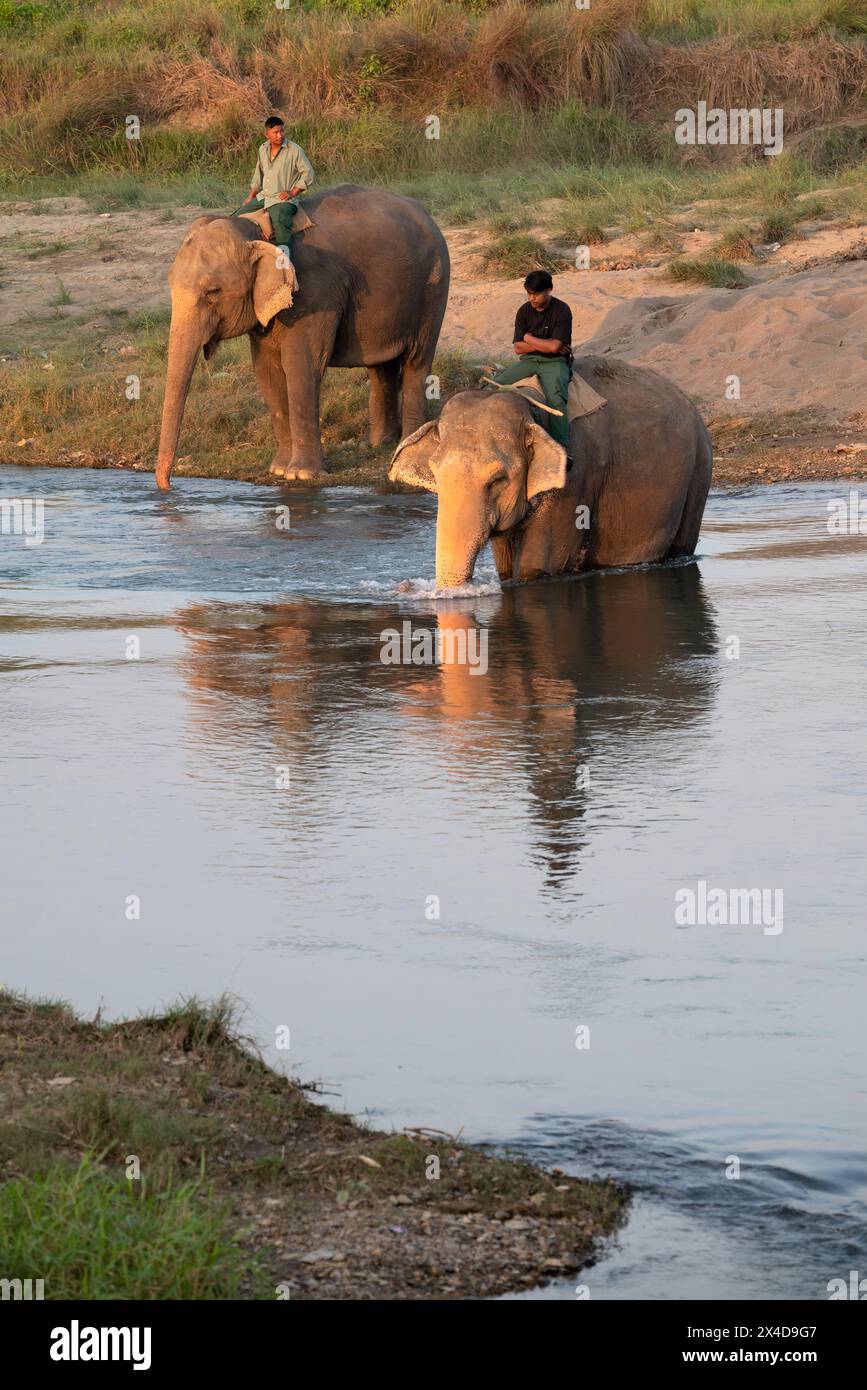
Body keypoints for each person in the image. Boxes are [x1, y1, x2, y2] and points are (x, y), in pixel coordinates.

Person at [494, 270, 572, 451]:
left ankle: (560, 448)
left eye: (536, 293)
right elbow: (518, 348)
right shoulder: (523, 311)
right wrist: (546, 344)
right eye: (529, 293)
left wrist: (528, 339)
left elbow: (554, 350)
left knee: (556, 399)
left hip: (554, 362)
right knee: (494, 385)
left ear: (549, 289)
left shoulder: (562, 310)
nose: (532, 298)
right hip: (529, 360)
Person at [232, 115, 314, 252]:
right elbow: (258, 174)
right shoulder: (263, 149)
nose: (280, 135)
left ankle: (283, 261)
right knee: (235, 218)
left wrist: (292, 192)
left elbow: (308, 173)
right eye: (275, 132)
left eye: (282, 131)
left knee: (281, 224)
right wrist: (250, 196)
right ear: (267, 134)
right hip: (264, 196)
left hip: (283, 200)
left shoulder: (294, 150)